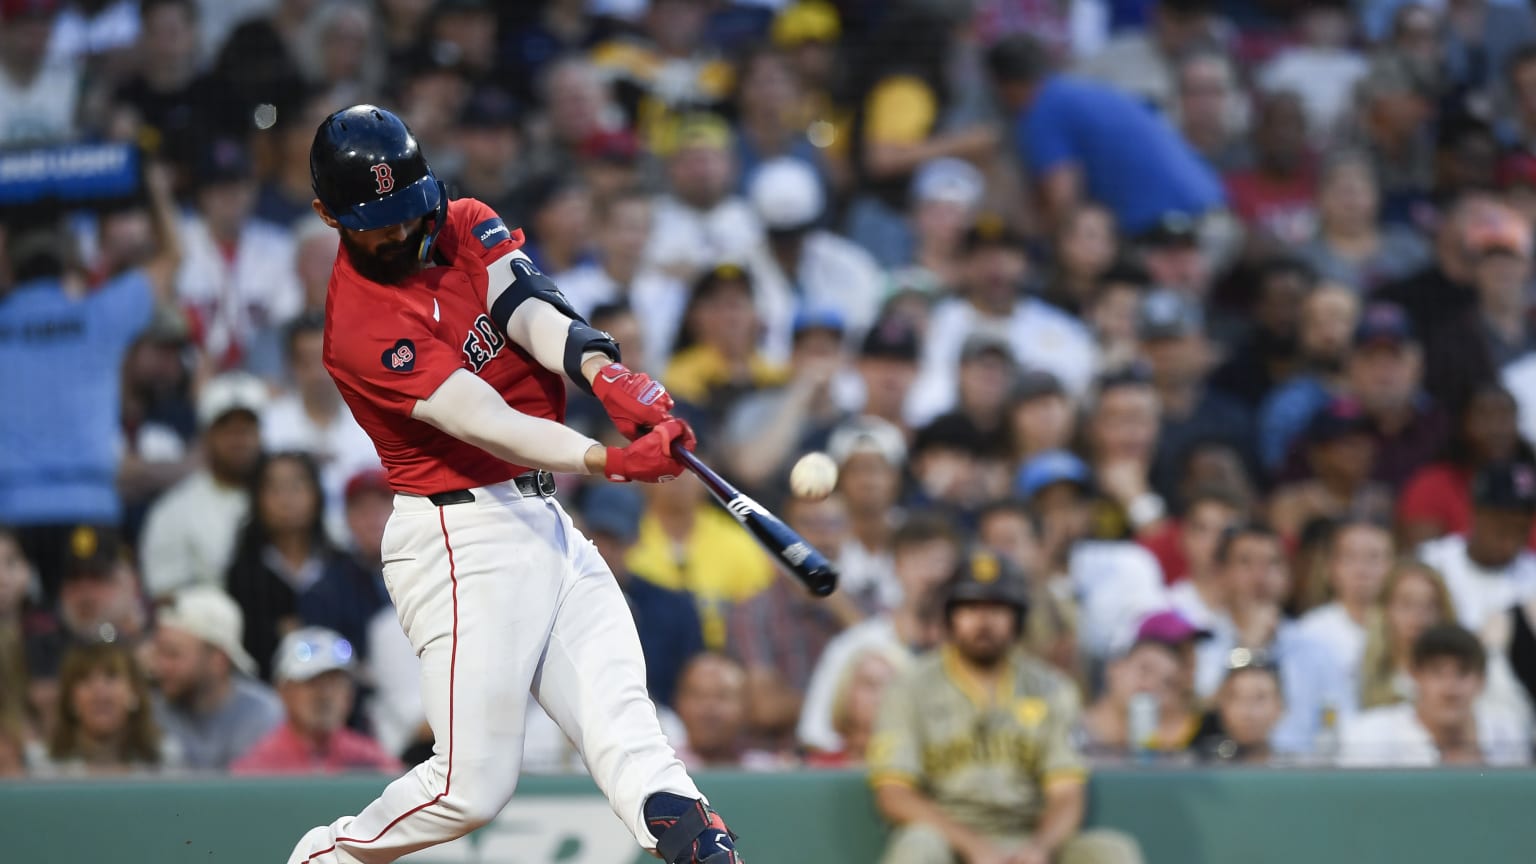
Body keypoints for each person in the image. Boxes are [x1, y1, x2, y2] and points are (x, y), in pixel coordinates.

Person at [295, 106, 744, 864]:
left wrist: (607, 373)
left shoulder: (465, 219)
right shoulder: (359, 322)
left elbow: (527, 308)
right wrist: (606, 458)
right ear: (328, 216)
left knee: (635, 743)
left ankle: (705, 850)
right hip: (458, 535)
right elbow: (483, 419)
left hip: (541, 518)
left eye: (407, 209)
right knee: (469, 786)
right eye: (377, 221)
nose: (400, 232)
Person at [868, 550, 1144, 864]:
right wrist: (972, 845)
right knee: (918, 845)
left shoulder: (1052, 688)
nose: (984, 622)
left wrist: (1040, 848)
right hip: (947, 840)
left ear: (1018, 618)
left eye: (998, 609)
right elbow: (893, 794)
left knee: (1111, 850)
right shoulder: (910, 687)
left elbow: (1067, 793)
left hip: (1026, 837)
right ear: (950, 617)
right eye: (971, 608)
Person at [989, 33, 1224, 239]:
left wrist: (1030, 236)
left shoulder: (1043, 109)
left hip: (1183, 224)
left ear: (1005, 87)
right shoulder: (1073, 90)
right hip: (1211, 208)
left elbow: (1062, 198)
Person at [908, 216, 1099, 425]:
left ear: (1025, 264)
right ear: (963, 266)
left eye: (1006, 255)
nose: (995, 267)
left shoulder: (1062, 329)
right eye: (983, 256)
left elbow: (1079, 397)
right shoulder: (935, 323)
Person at [798, 513, 962, 755]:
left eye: (940, 562)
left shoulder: (972, 649)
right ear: (896, 567)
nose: (931, 575)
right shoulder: (855, 644)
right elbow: (816, 734)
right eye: (917, 560)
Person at [727, 493, 859, 746]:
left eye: (833, 524)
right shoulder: (754, 611)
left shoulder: (867, 604)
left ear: (848, 532)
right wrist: (848, 706)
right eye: (810, 524)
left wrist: (845, 611)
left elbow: (891, 696)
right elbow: (766, 709)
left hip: (852, 759)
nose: (823, 537)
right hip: (777, 763)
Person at [139, 371, 267, 599]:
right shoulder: (173, 510)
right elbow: (164, 594)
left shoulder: (282, 499)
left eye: (247, 429)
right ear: (206, 437)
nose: (239, 440)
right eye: (227, 429)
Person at [260, 312, 381, 543]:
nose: (318, 373)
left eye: (326, 359)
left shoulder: (372, 425)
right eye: (307, 362)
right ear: (291, 366)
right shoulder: (272, 425)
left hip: (364, 552)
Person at [1339, 624, 1531, 767]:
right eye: (1437, 673)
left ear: (1481, 681)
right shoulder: (1372, 735)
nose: (1450, 688)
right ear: (1415, 676)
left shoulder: (1508, 733)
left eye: (1462, 673)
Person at [583, 484, 704, 710]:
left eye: (616, 540)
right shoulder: (556, 597)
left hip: (652, 714)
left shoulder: (673, 608)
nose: (605, 550)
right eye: (599, 537)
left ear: (634, 540)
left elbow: (689, 681)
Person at [224, 452, 339, 682]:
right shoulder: (242, 575)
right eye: (274, 488)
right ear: (257, 499)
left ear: (317, 494)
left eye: (297, 485)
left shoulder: (342, 567)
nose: (286, 499)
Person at [230, 627, 399, 776]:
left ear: (350, 694)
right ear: (283, 692)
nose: (325, 694)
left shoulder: (370, 761)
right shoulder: (259, 768)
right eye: (312, 683)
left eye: (335, 683)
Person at [149, 585, 282, 771]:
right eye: (159, 653)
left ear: (218, 661)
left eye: (173, 654)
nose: (159, 666)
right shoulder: (150, 713)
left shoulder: (264, 715)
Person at [1398, 384, 1536, 549]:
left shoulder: (1529, 480)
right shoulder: (1432, 485)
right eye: (1485, 417)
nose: (1497, 429)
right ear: (1462, 424)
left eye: (1505, 416)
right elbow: (1425, 562)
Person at [1418, 461, 1536, 631]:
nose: (1510, 535)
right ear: (1476, 512)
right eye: (1502, 522)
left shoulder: (1533, 575)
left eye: (1520, 527)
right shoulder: (1431, 563)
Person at [1295, 152, 1430, 294]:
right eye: (1340, 193)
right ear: (1320, 200)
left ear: (1378, 197)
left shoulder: (1410, 246)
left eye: (1359, 192)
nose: (1351, 203)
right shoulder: (1303, 260)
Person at [1266, 399, 1394, 543]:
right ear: (1318, 453)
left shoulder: (1382, 501)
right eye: (1349, 443)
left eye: (1366, 443)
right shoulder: (1292, 505)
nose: (1361, 452)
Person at [37, 641, 169, 776]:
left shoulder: (168, 762)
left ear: (134, 693)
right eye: (85, 679)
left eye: (111, 677)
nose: (99, 690)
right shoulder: (41, 769)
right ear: (70, 699)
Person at [1294, 521, 1394, 689]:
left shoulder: (1408, 625)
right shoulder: (1311, 630)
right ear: (1329, 567)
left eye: (1374, 557)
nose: (1362, 569)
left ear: (1393, 565)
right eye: (1350, 557)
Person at [1358, 560, 1458, 709]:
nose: (1419, 615)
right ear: (1385, 611)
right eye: (1407, 604)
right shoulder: (1361, 672)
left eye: (1430, 605)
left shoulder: (1462, 676)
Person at [671, 653, 788, 772]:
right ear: (678, 702)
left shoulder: (771, 772)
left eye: (722, 696)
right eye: (698, 696)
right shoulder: (662, 771)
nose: (708, 709)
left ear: (747, 705)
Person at [1079, 639, 1191, 756]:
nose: (1151, 686)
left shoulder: (1167, 754)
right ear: (1114, 667)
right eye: (1145, 669)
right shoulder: (1069, 731)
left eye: (1166, 683)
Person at [808, 642, 909, 768]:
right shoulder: (818, 767)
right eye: (870, 684)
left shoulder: (916, 768)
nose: (881, 696)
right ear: (846, 691)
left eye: (892, 686)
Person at [1193, 654, 1287, 764]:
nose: (1247, 711)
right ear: (1220, 705)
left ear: (1280, 706)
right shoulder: (1196, 766)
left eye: (1259, 698)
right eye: (1236, 697)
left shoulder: (1298, 769)